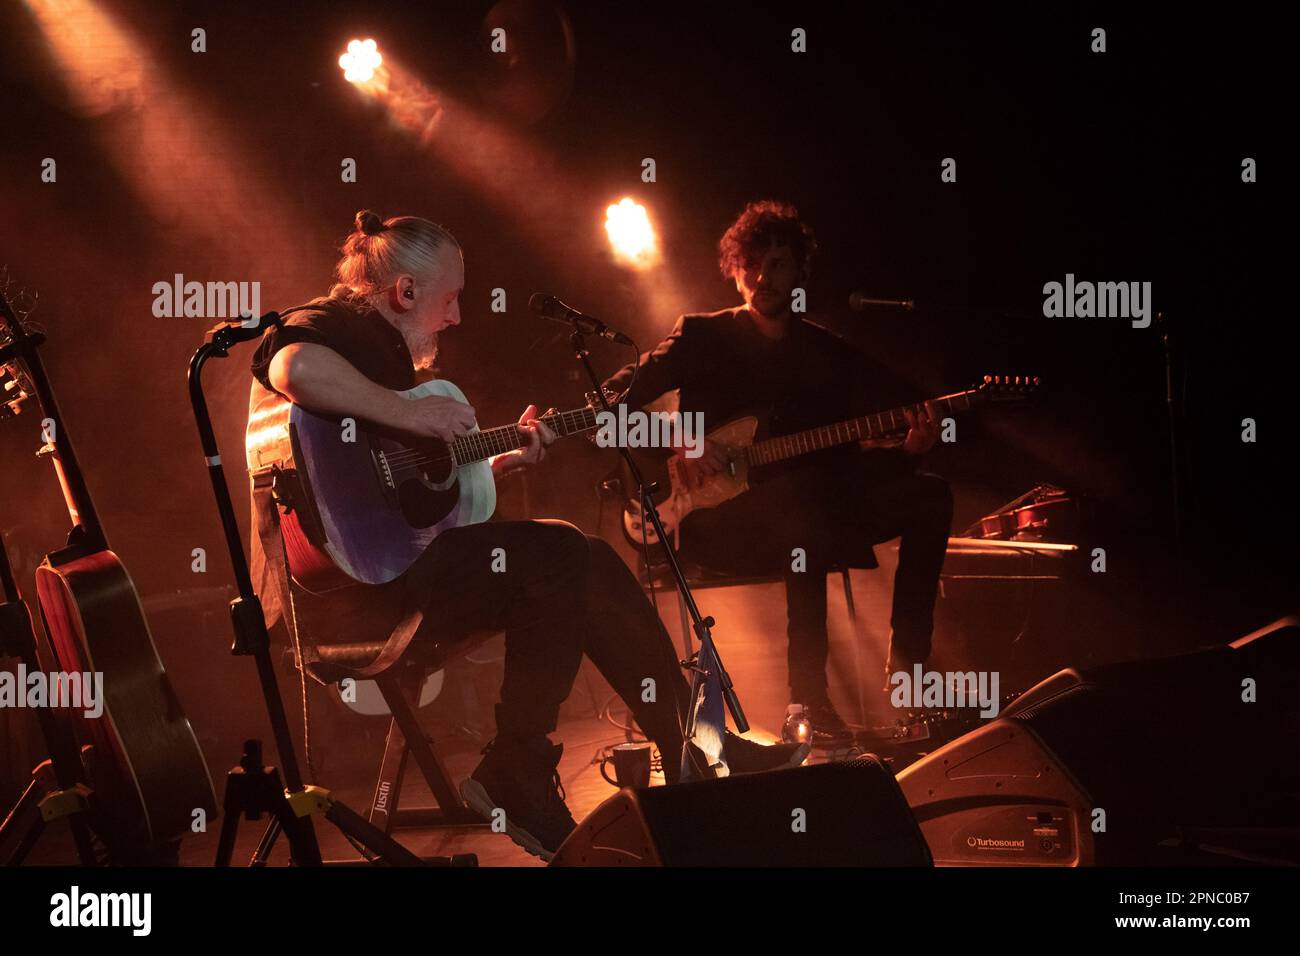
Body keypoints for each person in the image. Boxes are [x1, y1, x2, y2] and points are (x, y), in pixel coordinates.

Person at [246, 210, 805, 860]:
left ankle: (692, 746)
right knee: (562, 551)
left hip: (399, 570)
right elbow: (290, 369)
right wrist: (410, 411)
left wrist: (493, 459)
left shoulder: (391, 362)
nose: (455, 318)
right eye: (450, 299)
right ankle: (519, 764)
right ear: (404, 291)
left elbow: (401, 486)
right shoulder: (336, 325)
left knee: (587, 557)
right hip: (351, 594)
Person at [604, 200, 953, 741]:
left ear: (799, 274)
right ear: (734, 268)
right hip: (717, 523)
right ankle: (807, 703)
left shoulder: (828, 353)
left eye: (780, 265)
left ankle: (909, 672)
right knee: (804, 509)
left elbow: (846, 461)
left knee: (928, 496)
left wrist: (909, 450)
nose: (764, 277)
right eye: (752, 263)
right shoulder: (700, 335)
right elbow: (609, 403)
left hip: (813, 511)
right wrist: (681, 438)